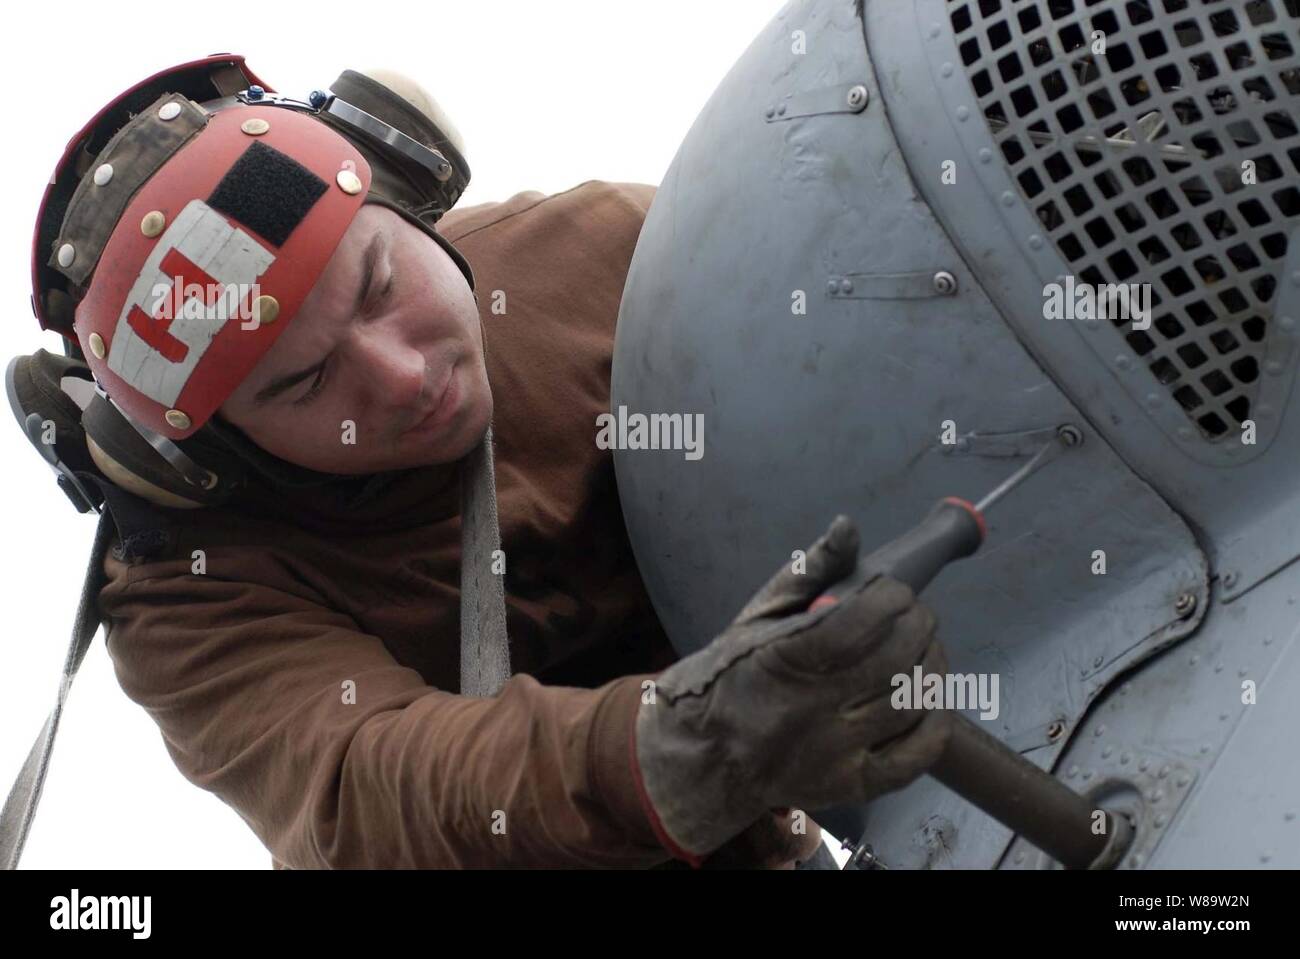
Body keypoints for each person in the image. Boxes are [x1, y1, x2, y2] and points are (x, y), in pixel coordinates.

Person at [8, 56, 951, 869]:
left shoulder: (610, 256)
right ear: (200, 455)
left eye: (379, 284)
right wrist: (686, 743)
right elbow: (368, 792)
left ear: (410, 184)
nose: (407, 375)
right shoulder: (190, 598)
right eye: (304, 384)